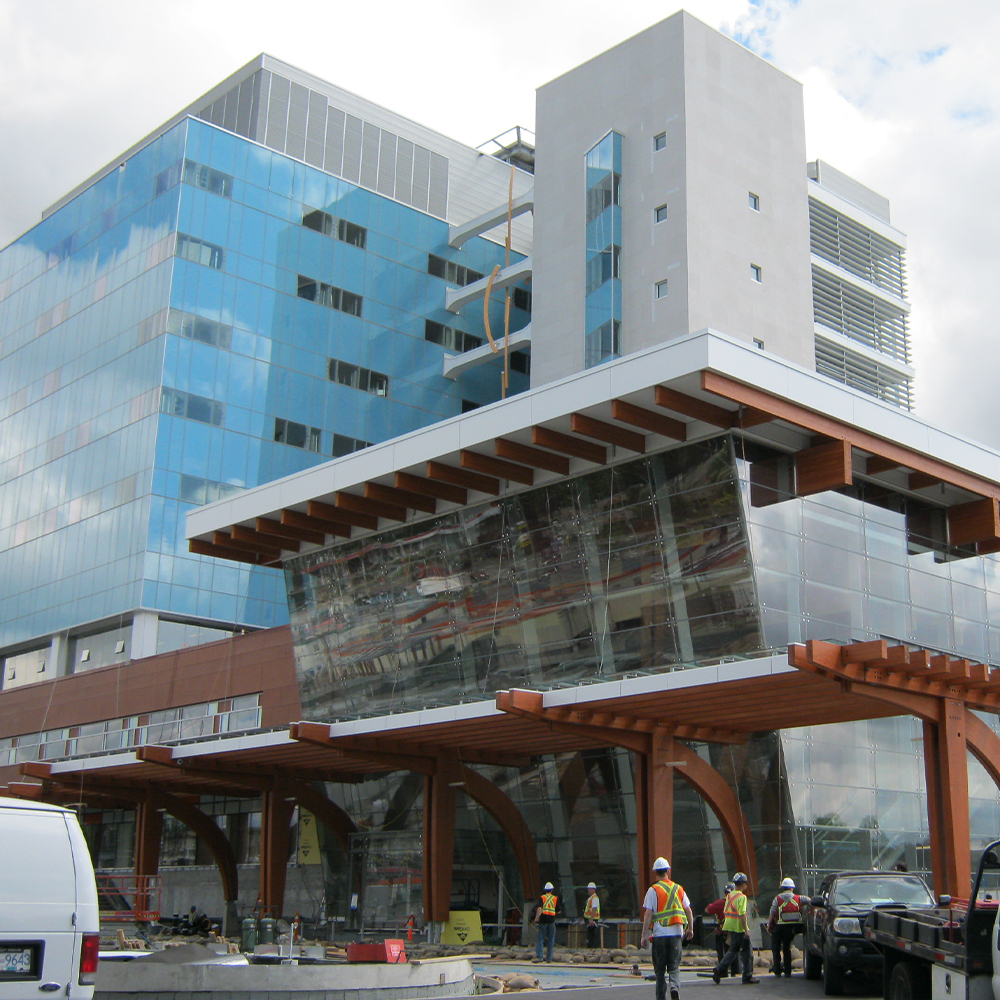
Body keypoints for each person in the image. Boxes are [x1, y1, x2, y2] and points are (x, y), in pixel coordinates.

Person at [640, 857, 694, 1000]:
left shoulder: (653, 890)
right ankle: (675, 987)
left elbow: (648, 914)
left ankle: (660, 997)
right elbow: (688, 911)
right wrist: (690, 929)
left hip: (659, 935)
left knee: (659, 971)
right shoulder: (679, 888)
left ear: (655, 873)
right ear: (668, 871)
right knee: (674, 967)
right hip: (676, 934)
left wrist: (644, 935)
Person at [712, 872, 759, 985]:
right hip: (739, 927)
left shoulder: (729, 895)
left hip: (730, 926)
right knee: (747, 953)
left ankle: (719, 968)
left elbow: (725, 911)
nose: (746, 886)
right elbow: (742, 915)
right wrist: (746, 930)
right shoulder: (742, 897)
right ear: (742, 884)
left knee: (733, 950)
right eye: (746, 884)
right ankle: (747, 976)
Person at [767, 877, 804, 977]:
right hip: (790, 928)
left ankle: (777, 970)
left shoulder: (777, 898)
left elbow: (772, 912)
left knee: (776, 948)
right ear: (792, 888)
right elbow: (810, 901)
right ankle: (788, 971)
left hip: (778, 927)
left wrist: (769, 926)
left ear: (783, 888)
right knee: (786, 948)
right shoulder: (799, 898)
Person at [705, 883, 739, 975]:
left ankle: (722, 972)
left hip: (723, 933)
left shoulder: (721, 903)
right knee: (734, 953)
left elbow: (707, 910)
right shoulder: (739, 902)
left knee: (723, 954)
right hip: (735, 932)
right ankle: (735, 972)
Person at [534, 881, 558, 961]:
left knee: (541, 939)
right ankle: (549, 958)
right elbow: (558, 910)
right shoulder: (555, 898)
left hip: (543, 921)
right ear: (552, 890)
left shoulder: (542, 898)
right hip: (551, 921)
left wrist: (537, 918)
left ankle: (540, 957)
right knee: (551, 940)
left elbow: (539, 908)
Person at [584, 881, 601, 949]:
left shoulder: (595, 898)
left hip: (592, 920)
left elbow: (594, 908)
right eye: (588, 889)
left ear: (594, 889)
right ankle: (591, 948)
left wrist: (591, 920)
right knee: (590, 936)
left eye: (590, 889)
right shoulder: (591, 898)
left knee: (592, 936)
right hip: (590, 919)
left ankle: (593, 948)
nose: (589, 890)